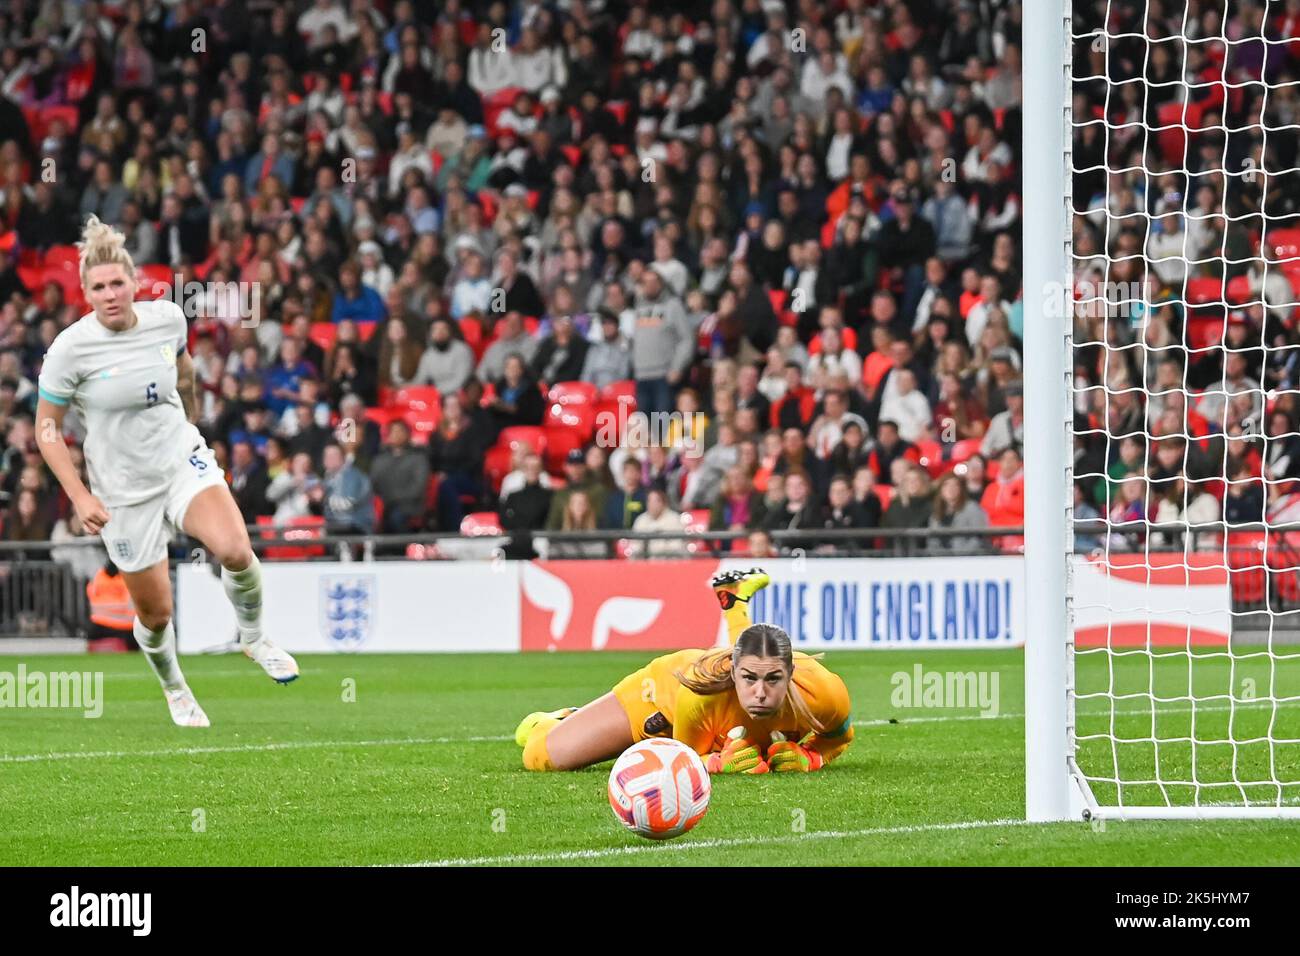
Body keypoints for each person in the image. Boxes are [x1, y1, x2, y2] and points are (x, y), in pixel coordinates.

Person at [35, 216, 298, 728]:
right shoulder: (70, 350)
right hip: (123, 492)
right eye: (98, 287)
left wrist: (191, 417)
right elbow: (47, 428)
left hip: (180, 461)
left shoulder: (168, 318)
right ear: (85, 292)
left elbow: (183, 370)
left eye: (117, 283)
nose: (110, 294)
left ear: (134, 282)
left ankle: (253, 638)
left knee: (236, 550)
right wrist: (80, 496)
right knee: (156, 616)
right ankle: (175, 687)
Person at [514, 569, 853, 773]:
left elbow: (839, 739)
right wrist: (717, 763)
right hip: (660, 705)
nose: (760, 692)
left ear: (791, 673)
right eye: (749, 679)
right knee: (540, 755)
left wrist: (811, 759)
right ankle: (556, 720)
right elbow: (684, 760)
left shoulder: (825, 692)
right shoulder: (699, 692)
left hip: (721, 704)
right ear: (734, 674)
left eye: (774, 679)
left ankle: (733, 599)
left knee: (753, 660)